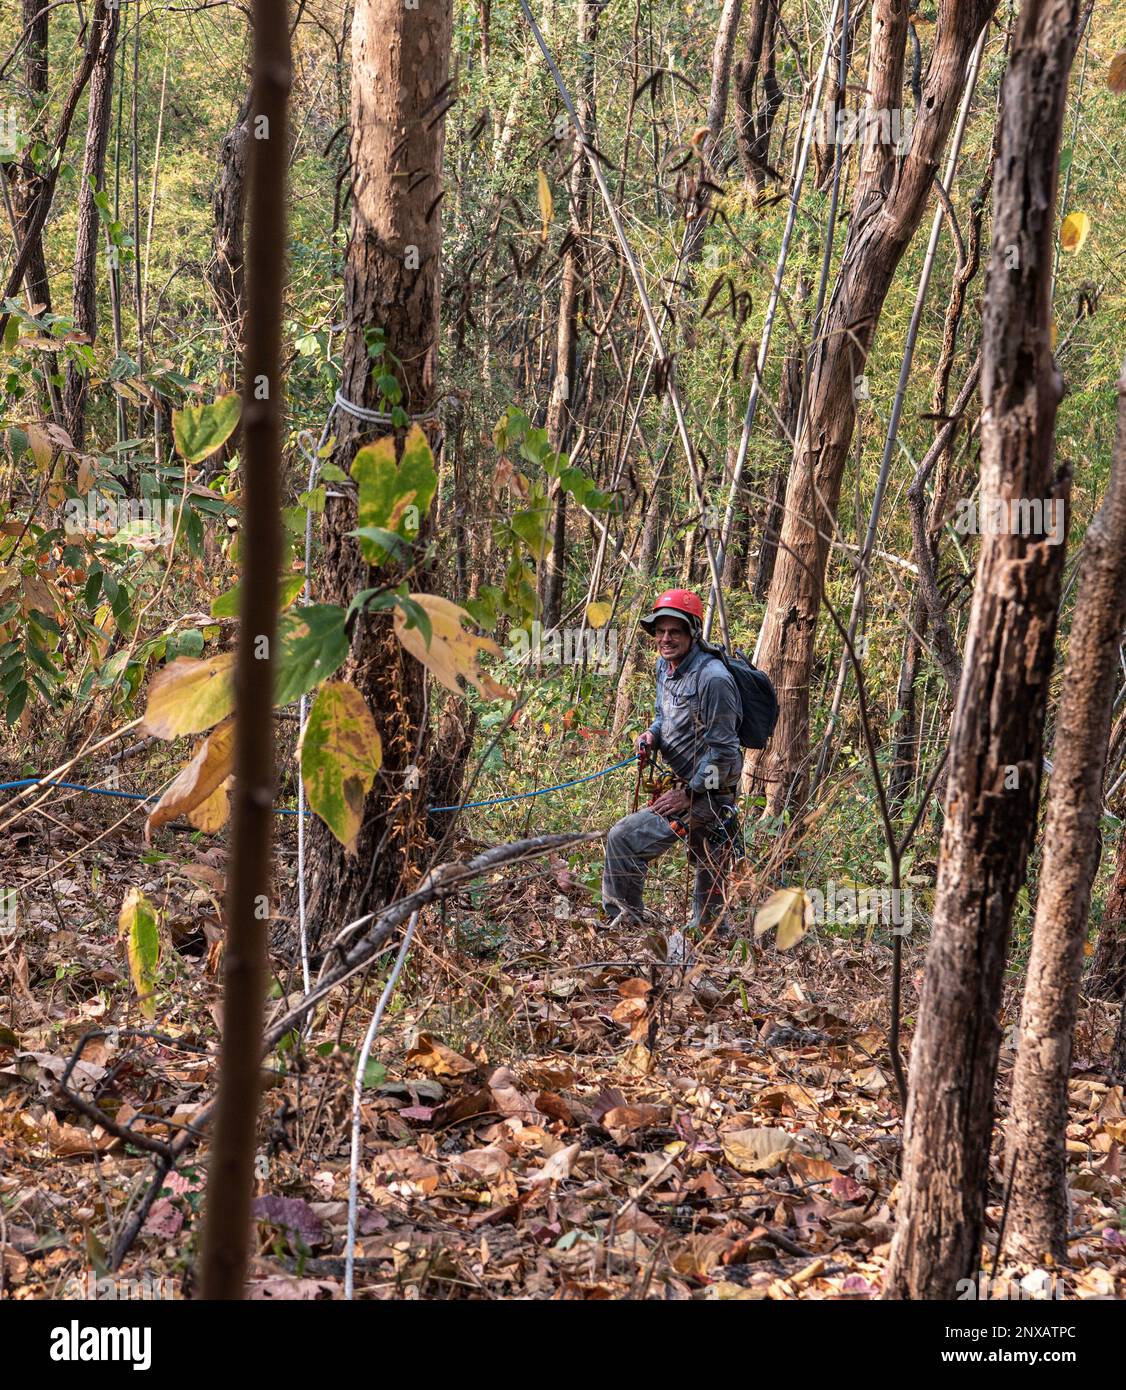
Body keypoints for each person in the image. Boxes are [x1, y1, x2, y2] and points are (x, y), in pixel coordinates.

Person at [602, 588, 742, 940]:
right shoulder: (665, 668)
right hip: (683, 783)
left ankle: (635, 924)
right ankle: (637, 922)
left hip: (710, 791)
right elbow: (663, 717)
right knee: (707, 863)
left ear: (692, 631)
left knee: (624, 837)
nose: (665, 639)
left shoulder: (714, 680)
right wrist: (650, 736)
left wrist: (690, 795)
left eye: (674, 632)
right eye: (660, 631)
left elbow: (724, 752)